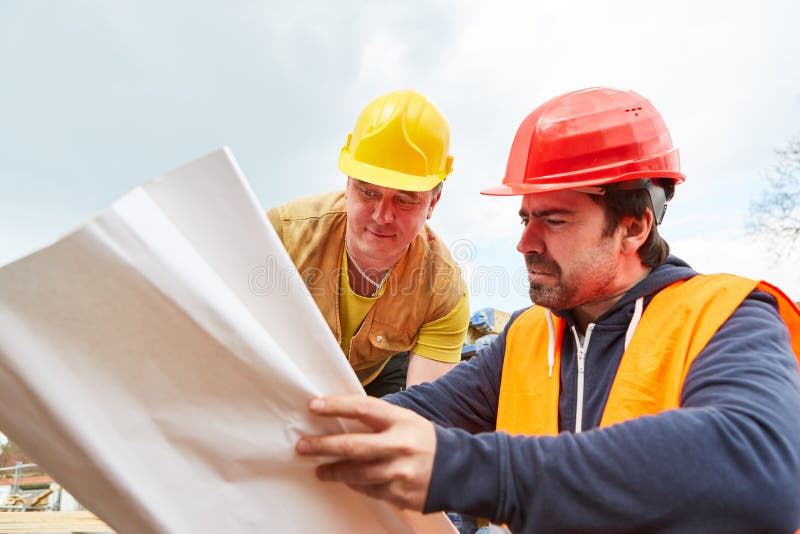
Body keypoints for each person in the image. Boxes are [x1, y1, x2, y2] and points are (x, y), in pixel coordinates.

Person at [295, 87, 800, 532]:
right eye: (525, 217)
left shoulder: (728, 317)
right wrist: (296, 431)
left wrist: (482, 472)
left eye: (553, 220)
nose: (524, 243)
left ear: (634, 227)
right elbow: (416, 413)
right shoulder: (528, 337)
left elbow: (759, 471)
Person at [268, 90, 469, 397]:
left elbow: (427, 414)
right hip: (281, 371)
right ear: (348, 185)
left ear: (433, 202)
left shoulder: (443, 289)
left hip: (375, 380)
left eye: (403, 200)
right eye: (368, 193)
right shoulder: (279, 236)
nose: (381, 215)